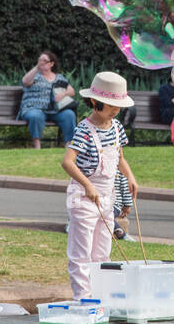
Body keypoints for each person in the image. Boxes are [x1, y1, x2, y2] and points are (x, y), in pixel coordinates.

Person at [61, 72, 138, 299]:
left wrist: (131, 177)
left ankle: (100, 295)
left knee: (103, 252)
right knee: (81, 253)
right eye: (111, 105)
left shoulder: (116, 128)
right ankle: (83, 299)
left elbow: (120, 158)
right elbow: (67, 162)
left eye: (118, 106)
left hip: (107, 197)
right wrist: (87, 185)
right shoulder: (84, 130)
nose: (115, 111)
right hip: (85, 197)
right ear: (95, 102)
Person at [21, 50, 77, 148]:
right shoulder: (35, 76)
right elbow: (25, 81)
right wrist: (37, 67)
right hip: (35, 108)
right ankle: (37, 146)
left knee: (69, 114)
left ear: (51, 63)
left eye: (44, 61)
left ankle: (69, 145)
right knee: (35, 116)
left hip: (55, 110)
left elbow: (72, 91)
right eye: (40, 60)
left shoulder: (59, 77)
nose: (41, 63)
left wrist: (63, 93)